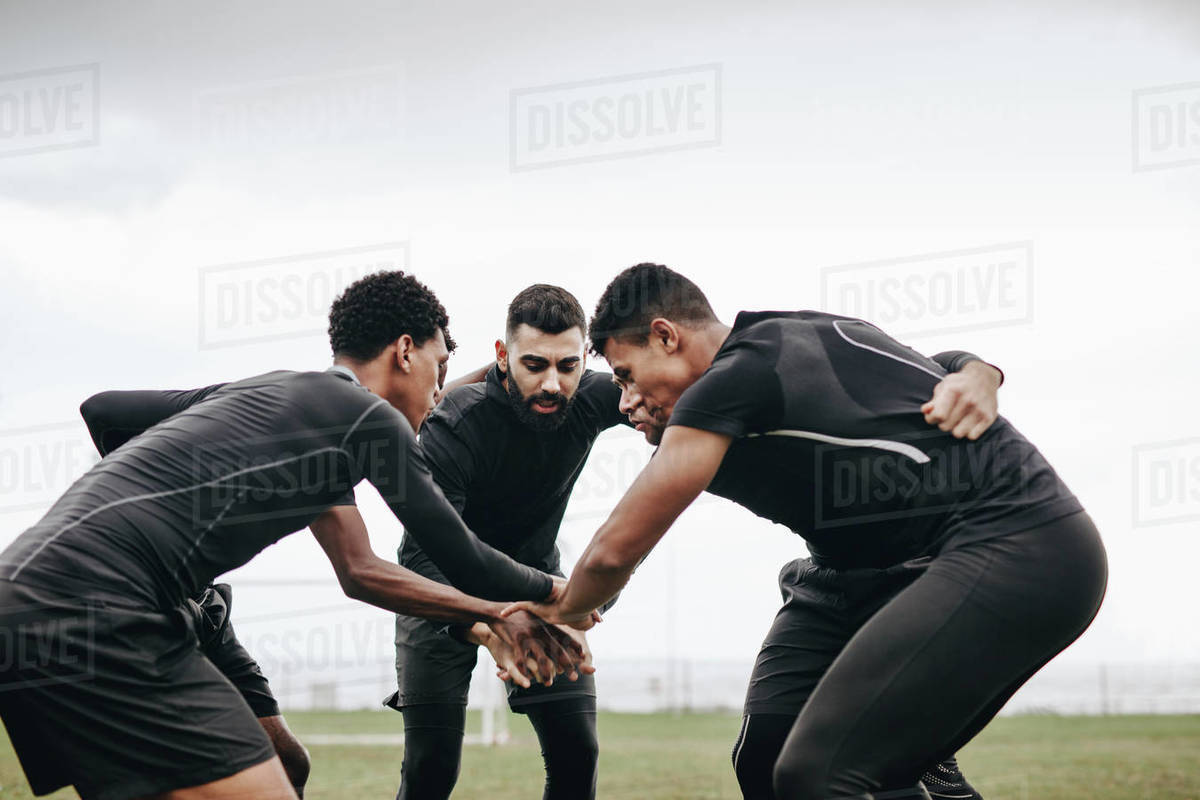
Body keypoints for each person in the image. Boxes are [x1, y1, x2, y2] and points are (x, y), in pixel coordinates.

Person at [508, 263, 1107, 800]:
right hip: (850, 576)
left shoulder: (743, 374)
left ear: (667, 336)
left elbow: (614, 552)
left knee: (821, 773)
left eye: (626, 375)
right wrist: (978, 368)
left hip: (1013, 540)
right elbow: (937, 366)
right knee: (767, 761)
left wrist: (556, 612)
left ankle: (924, 772)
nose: (625, 399)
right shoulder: (745, 378)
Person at [398, 282, 1001, 800]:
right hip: (449, 598)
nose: (554, 383)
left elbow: (702, 370)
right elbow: (424, 557)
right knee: (432, 769)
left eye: (570, 365)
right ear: (503, 355)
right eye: (534, 365)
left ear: (587, 359)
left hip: (551, 596)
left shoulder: (595, 398)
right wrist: (491, 622)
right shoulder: (454, 424)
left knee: (577, 752)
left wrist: (976, 367)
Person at [0, 271, 585, 800]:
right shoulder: (367, 418)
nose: (440, 393)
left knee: (286, 762)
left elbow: (361, 572)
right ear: (405, 352)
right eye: (439, 367)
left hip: (25, 595)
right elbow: (464, 556)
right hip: (102, 607)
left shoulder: (279, 404)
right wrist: (558, 595)